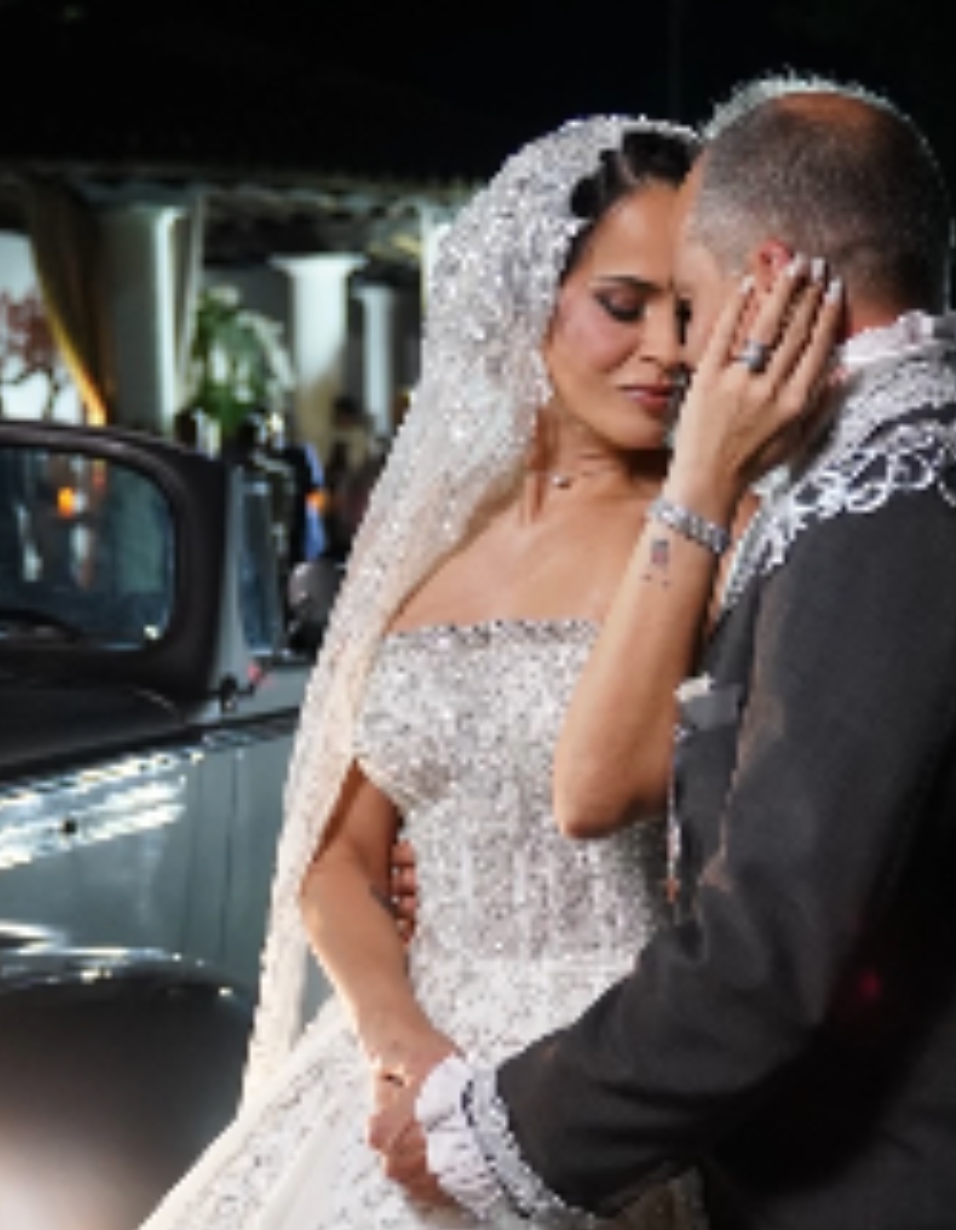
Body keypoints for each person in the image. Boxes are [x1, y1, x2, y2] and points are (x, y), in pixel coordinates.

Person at [372, 72, 956, 1230]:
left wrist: (496, 1140)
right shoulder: (938, 467)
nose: (683, 356)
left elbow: (765, 959)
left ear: (772, 284)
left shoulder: (891, 516)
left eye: (689, 305)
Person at [133, 116, 744, 1230]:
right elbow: (337, 862)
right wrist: (398, 1041)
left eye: (690, 312)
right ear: (524, 299)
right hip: (401, 1058)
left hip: (599, 1078)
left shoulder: (707, 531)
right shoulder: (427, 543)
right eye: (624, 304)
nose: (670, 349)